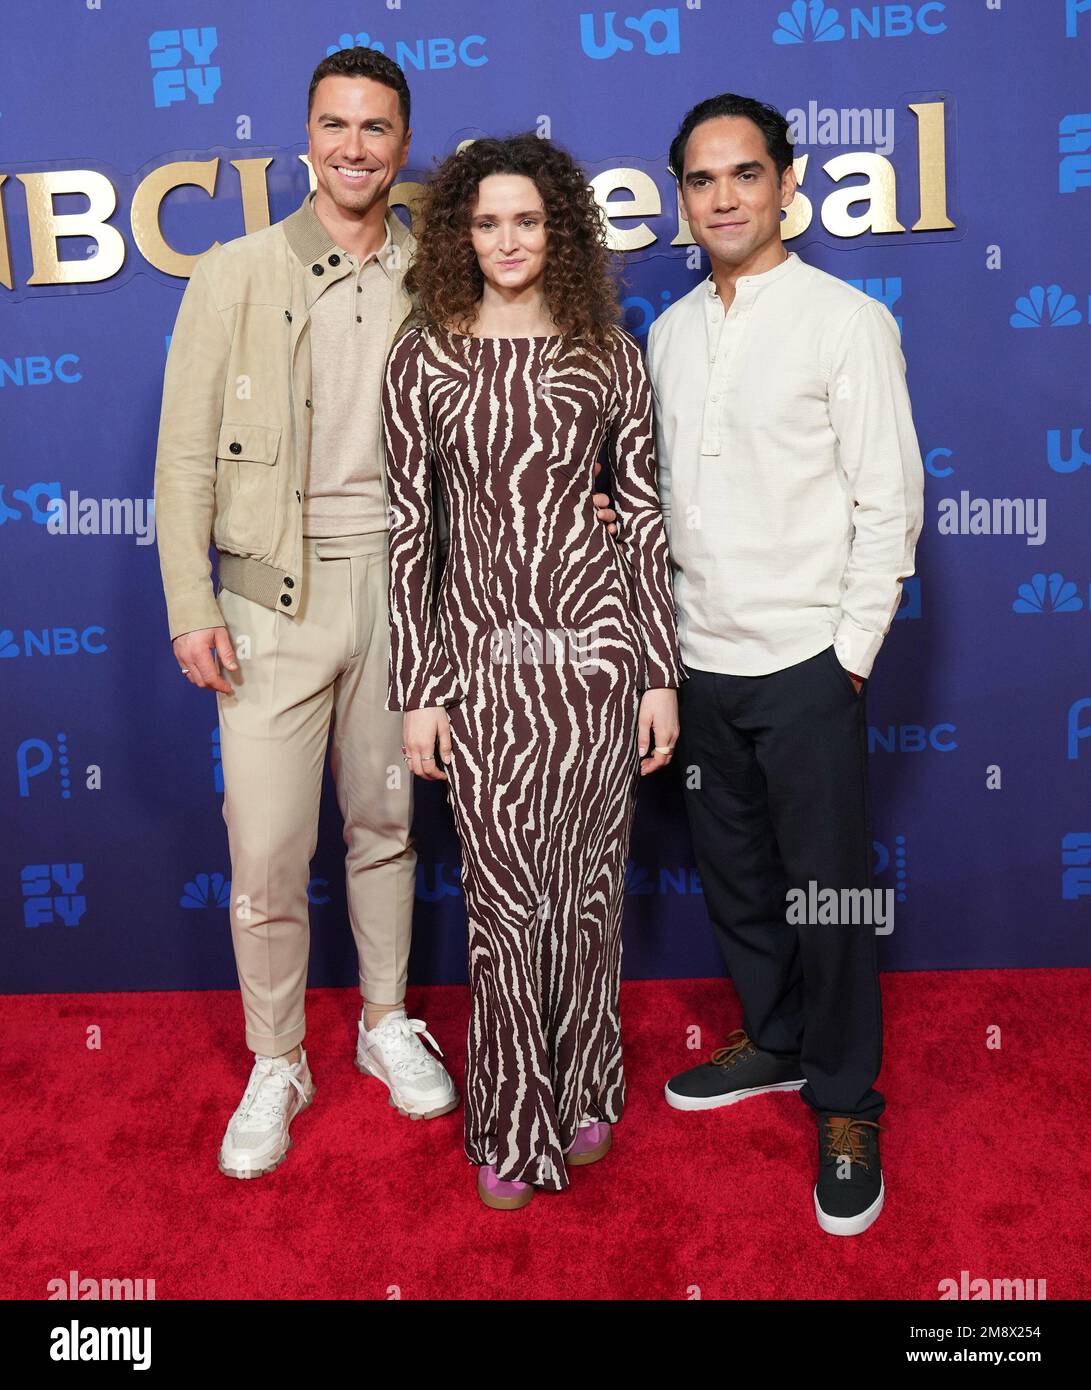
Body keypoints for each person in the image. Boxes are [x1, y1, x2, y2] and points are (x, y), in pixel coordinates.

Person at [595, 93, 924, 1235]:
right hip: (694, 661)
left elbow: (890, 501)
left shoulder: (843, 321)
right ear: (679, 196)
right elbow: (655, 501)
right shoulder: (669, 332)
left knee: (826, 896)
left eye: (744, 174)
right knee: (737, 882)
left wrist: (845, 657)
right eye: (699, 179)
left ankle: (843, 1100)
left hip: (804, 663)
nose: (722, 196)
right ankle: (776, 1041)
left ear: (786, 182)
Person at [153, 47, 461, 1180]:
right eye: (335, 123)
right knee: (269, 851)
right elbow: (183, 450)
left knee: (385, 825)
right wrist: (192, 601)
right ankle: (276, 1057)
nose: (354, 146)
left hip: (398, 591)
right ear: (306, 135)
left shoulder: (439, 273)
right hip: (269, 601)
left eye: (376, 128)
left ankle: (383, 1021)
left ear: (400, 141)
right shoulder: (233, 272)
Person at [381, 134, 682, 1209]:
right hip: (484, 662)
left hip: (596, 658)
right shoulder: (423, 354)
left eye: (527, 220)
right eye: (486, 221)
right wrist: (418, 687)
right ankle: (511, 1114)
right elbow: (407, 531)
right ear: (461, 235)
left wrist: (655, 672)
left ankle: (587, 1079)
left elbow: (640, 515)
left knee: (589, 895)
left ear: (558, 230)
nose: (507, 239)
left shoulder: (607, 350)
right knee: (507, 905)